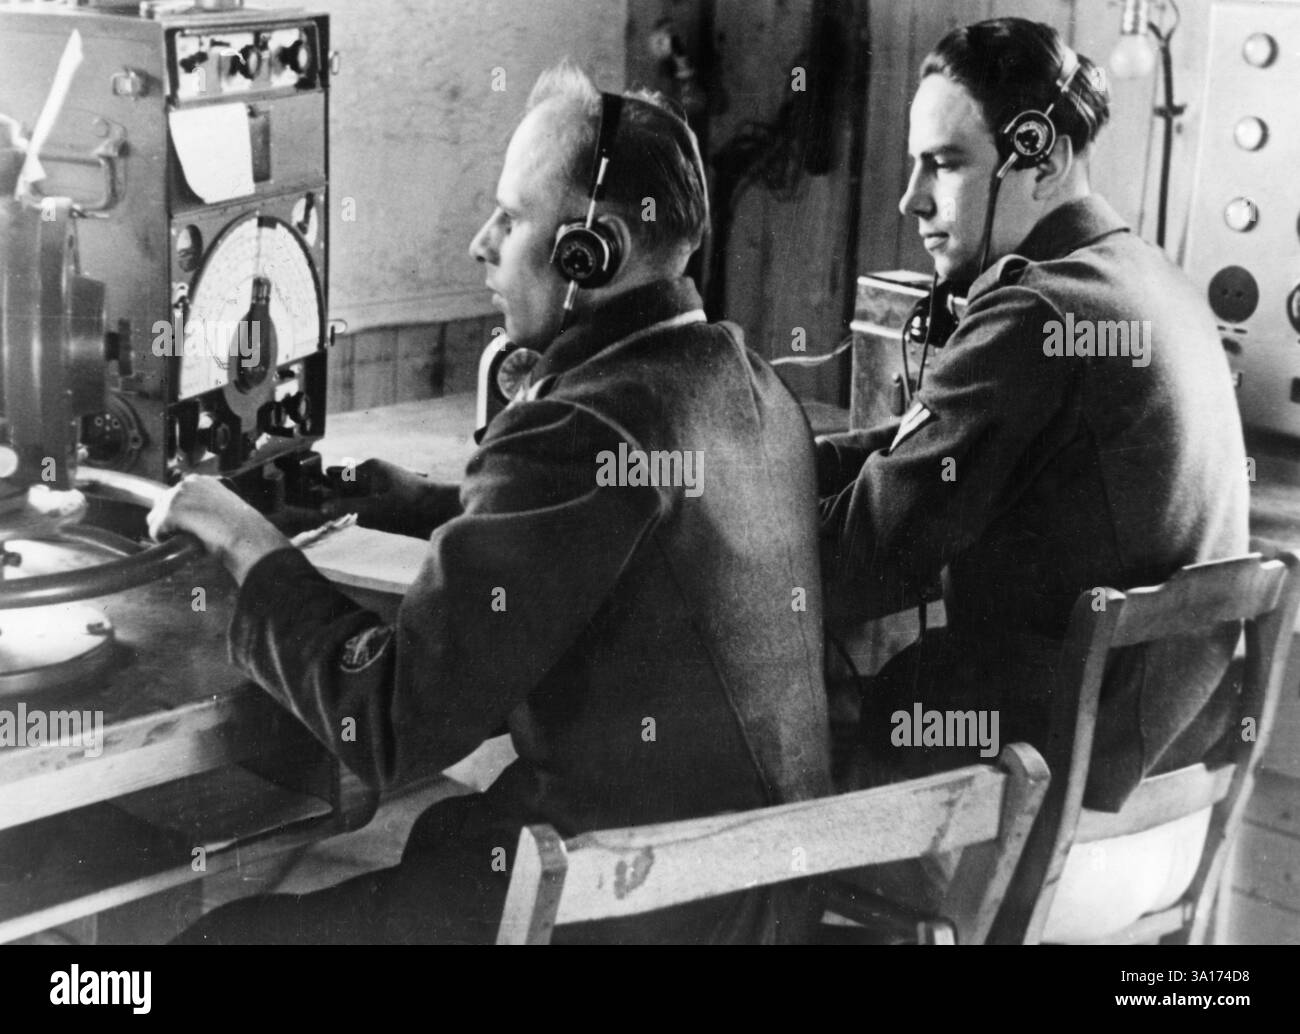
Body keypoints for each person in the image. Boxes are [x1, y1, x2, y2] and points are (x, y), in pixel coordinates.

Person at [150, 61, 831, 944]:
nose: (481, 242)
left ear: (593, 252)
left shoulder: (577, 428)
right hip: (748, 902)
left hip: (621, 915)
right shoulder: (746, 384)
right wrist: (426, 501)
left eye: (511, 219)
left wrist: (247, 547)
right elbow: (621, 524)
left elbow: (388, 723)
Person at [817, 17, 1247, 927]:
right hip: (1165, 802)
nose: (911, 202)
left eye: (945, 164)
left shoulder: (1035, 309)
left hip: (1036, 815)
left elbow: (857, 565)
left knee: (735, 777)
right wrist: (778, 460)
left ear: (1038, 158)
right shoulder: (1147, 279)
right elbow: (921, 451)